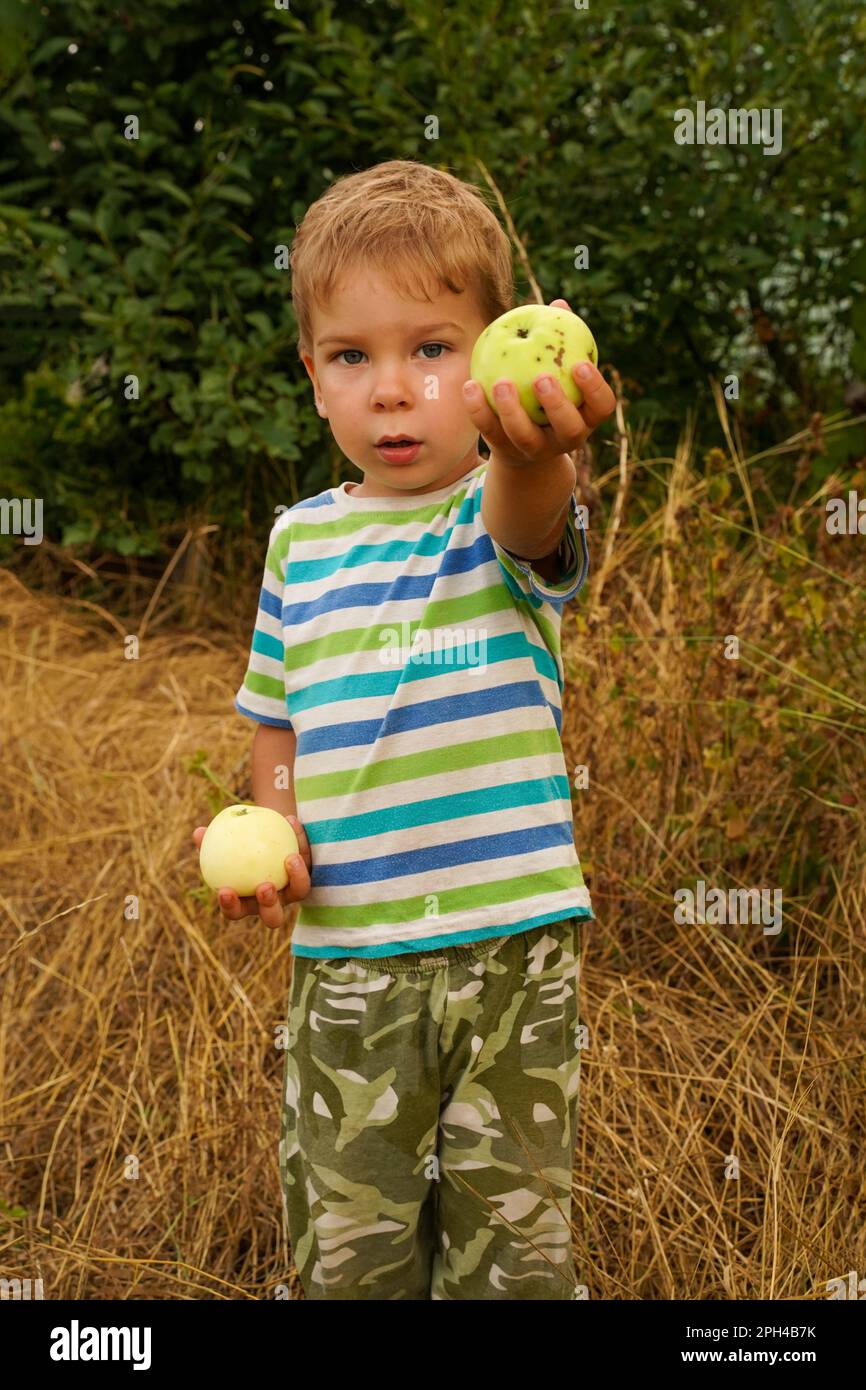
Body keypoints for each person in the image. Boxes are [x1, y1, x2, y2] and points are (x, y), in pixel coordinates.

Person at [193, 159, 615, 1299]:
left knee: (513, 1261)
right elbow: (274, 722)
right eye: (351, 356)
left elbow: (537, 518)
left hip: (510, 950)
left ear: (485, 363)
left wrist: (536, 446)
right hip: (349, 966)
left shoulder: (494, 505)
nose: (390, 389)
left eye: (432, 350)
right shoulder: (297, 543)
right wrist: (278, 838)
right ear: (313, 377)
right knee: (352, 1251)